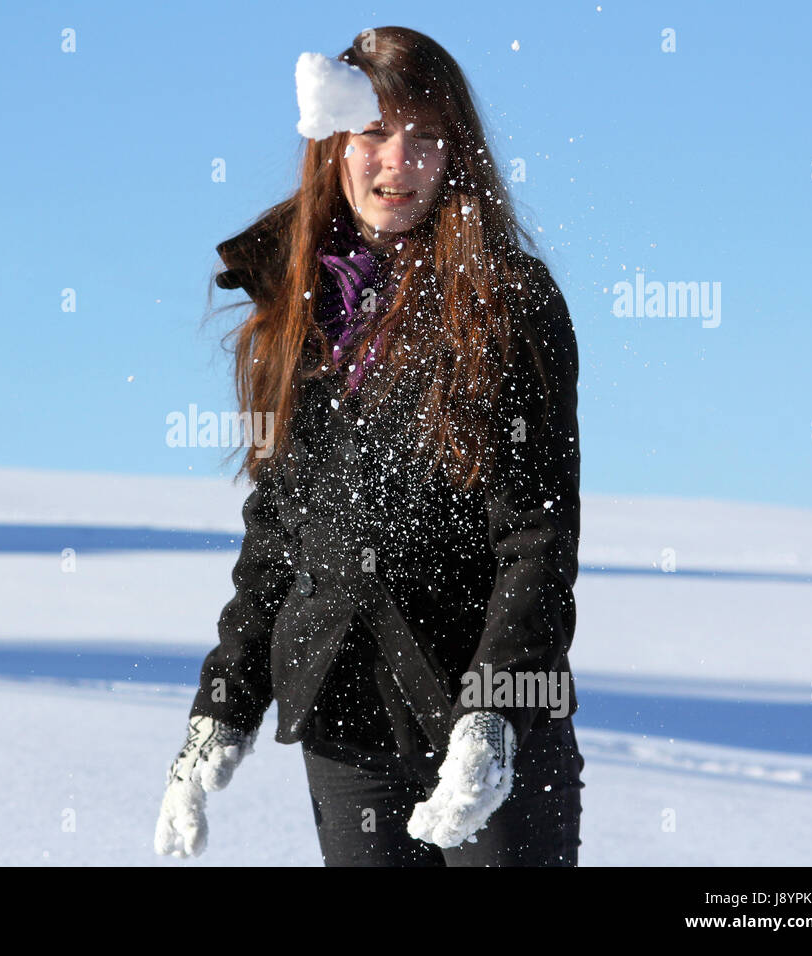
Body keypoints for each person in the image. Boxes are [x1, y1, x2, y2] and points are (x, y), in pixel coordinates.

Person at [154, 26, 585, 866]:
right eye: (376, 134)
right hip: (346, 719)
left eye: (427, 137)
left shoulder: (510, 301)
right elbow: (279, 533)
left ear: (458, 154)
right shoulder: (292, 312)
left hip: (491, 723)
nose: (401, 162)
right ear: (331, 146)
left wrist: (495, 712)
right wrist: (221, 709)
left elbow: (539, 535)